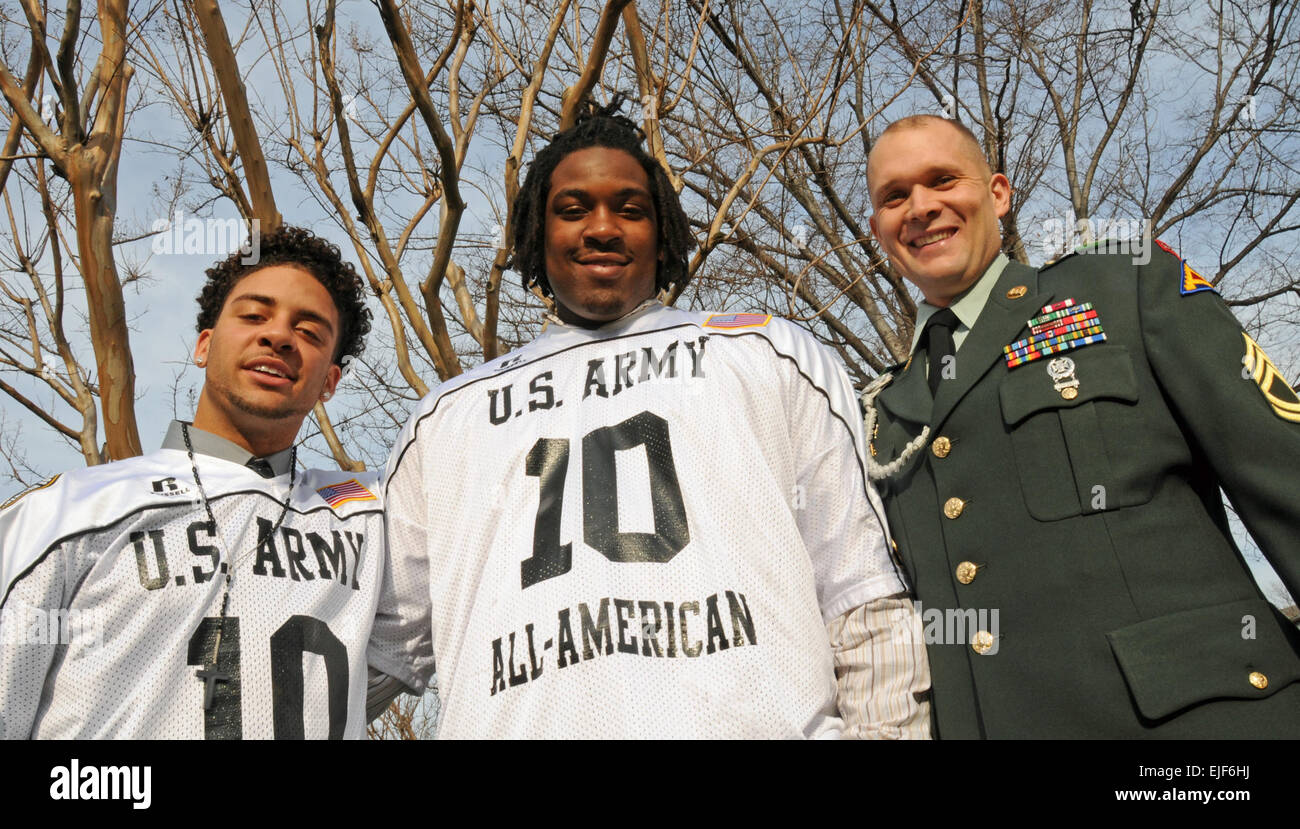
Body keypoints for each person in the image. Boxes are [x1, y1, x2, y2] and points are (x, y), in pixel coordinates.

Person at [384, 105, 931, 738]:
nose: (602, 228)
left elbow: (861, 590)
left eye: (631, 209)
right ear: (536, 231)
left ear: (664, 232)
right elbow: (377, 649)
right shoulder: (450, 419)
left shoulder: (767, 354)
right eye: (572, 209)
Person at [861, 113, 1300, 738]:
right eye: (894, 197)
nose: (921, 207)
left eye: (943, 180)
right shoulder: (881, 414)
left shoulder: (1123, 285)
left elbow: (1283, 474)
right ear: (878, 228)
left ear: (998, 194)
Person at [0, 226, 433, 739]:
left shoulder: (371, 516)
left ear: (329, 384)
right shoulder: (71, 512)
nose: (277, 337)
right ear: (204, 345)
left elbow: (396, 655)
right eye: (254, 315)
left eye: (310, 332)